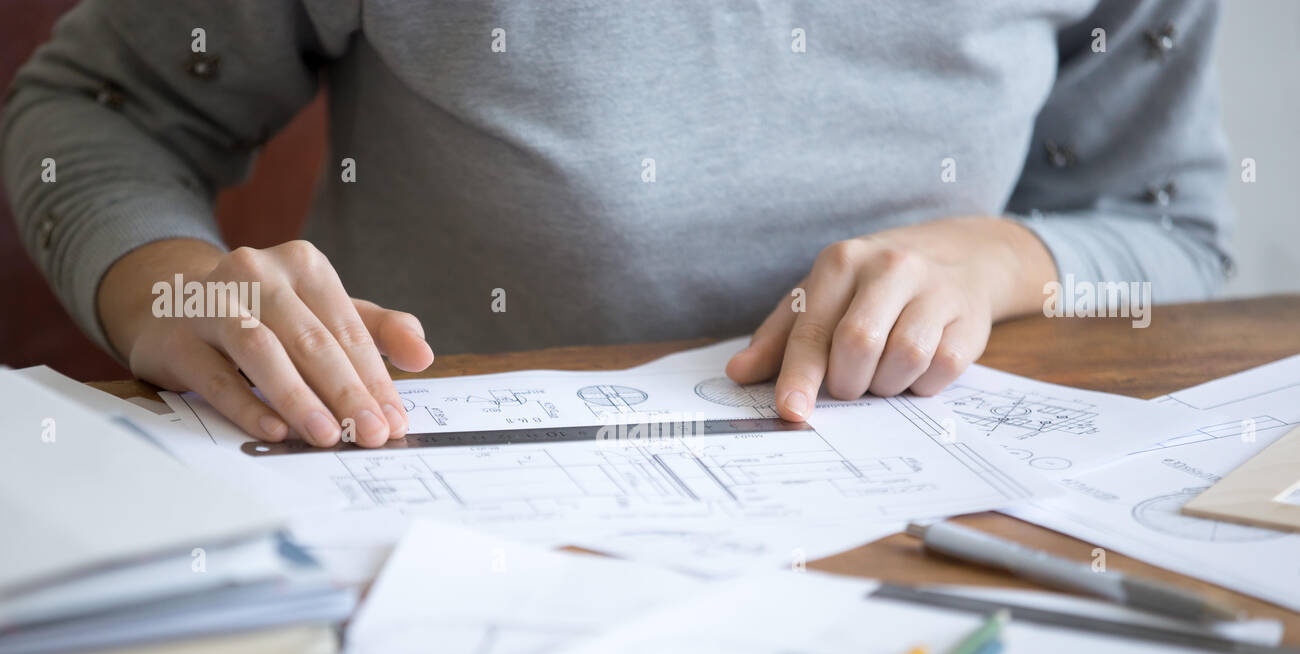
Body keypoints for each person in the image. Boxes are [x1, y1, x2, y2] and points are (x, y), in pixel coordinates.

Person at [2, 0, 1230, 448]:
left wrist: (1006, 255)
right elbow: (96, 111)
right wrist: (171, 285)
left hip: (932, 541)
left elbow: (1172, 228)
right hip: (421, 515)